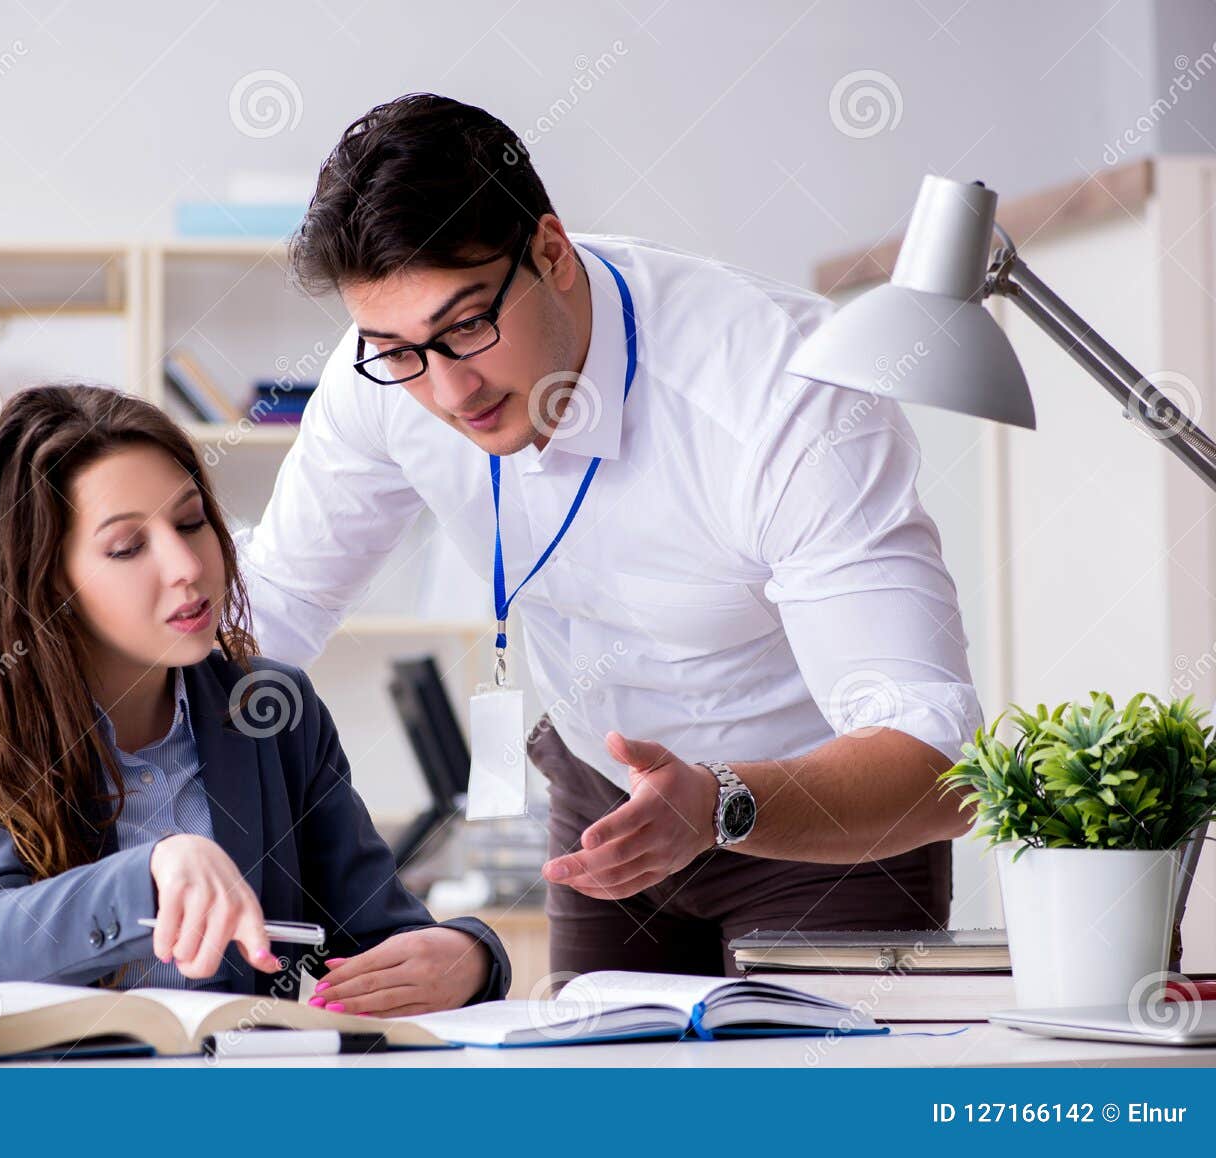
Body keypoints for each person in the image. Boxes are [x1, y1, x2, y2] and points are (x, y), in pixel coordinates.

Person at [237, 94, 983, 978]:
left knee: (808, 1111)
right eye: (398, 349)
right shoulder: (383, 377)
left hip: (814, 824)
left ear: (551, 251)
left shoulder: (788, 396)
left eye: (468, 325)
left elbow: (935, 759)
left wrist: (718, 803)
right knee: (592, 1095)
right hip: (603, 801)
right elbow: (277, 606)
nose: (446, 391)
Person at [0, 383, 510, 1015]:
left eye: (191, 521)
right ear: (43, 577)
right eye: (127, 547)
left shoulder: (273, 708)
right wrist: (150, 874)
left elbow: (377, 933)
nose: (187, 565)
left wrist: (469, 956)